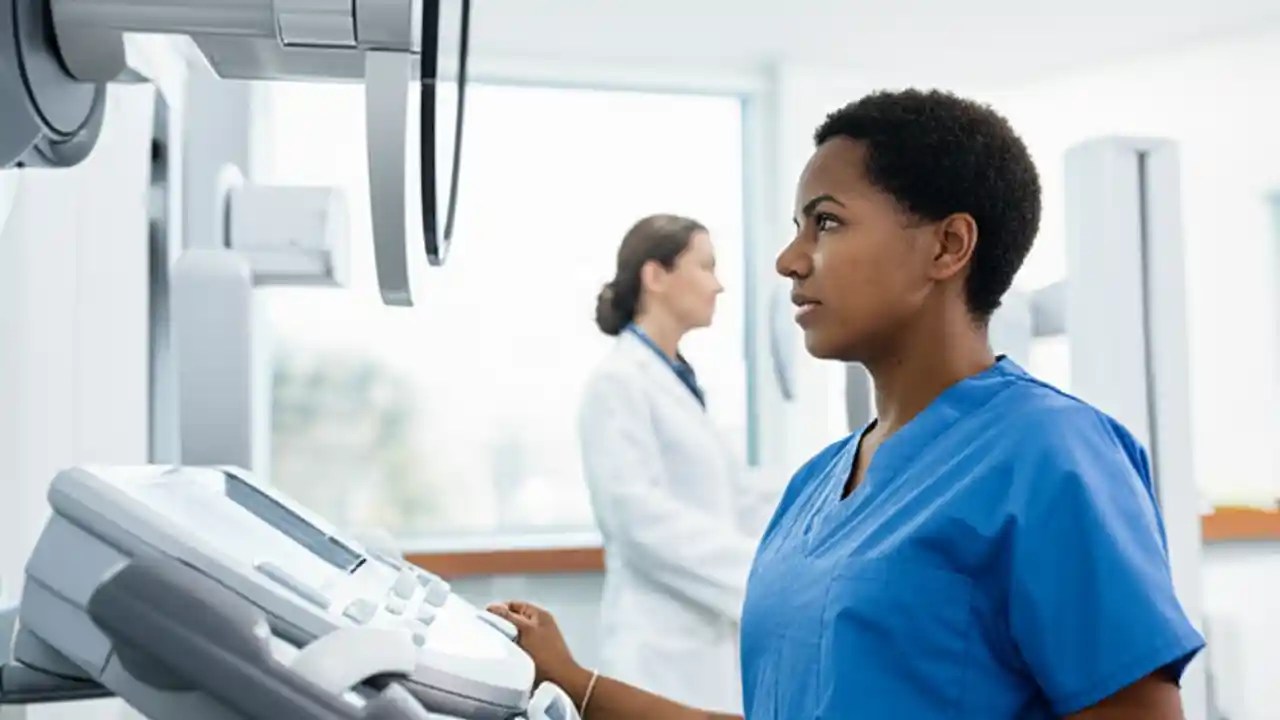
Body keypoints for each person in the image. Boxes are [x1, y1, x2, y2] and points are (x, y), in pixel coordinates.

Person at [490, 90, 1205, 720]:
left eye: (824, 223)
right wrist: (572, 682)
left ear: (948, 246)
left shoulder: (1052, 454)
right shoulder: (815, 487)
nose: (789, 260)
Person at [574, 214, 766, 715]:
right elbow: (636, 519)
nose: (719, 284)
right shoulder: (618, 382)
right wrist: (755, 575)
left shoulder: (677, 380)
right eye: (705, 266)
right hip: (656, 655)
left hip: (704, 649)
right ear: (655, 276)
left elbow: (737, 496)